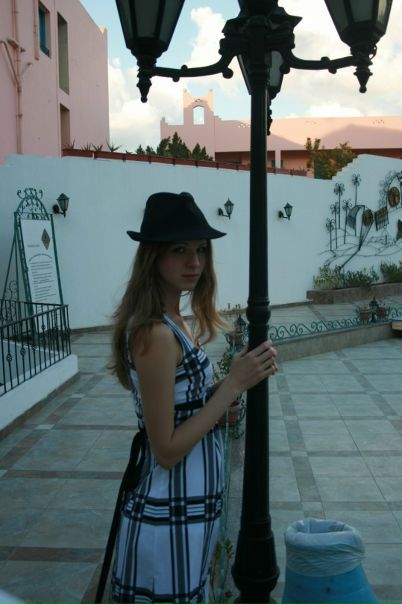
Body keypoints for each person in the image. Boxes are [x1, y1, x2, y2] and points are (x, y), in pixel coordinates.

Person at [100, 191, 278, 604]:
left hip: (186, 510)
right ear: (153, 256)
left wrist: (238, 375)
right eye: (179, 250)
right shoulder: (156, 334)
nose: (194, 261)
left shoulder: (174, 319)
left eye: (200, 249)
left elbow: (185, 407)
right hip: (167, 514)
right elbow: (165, 449)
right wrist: (232, 386)